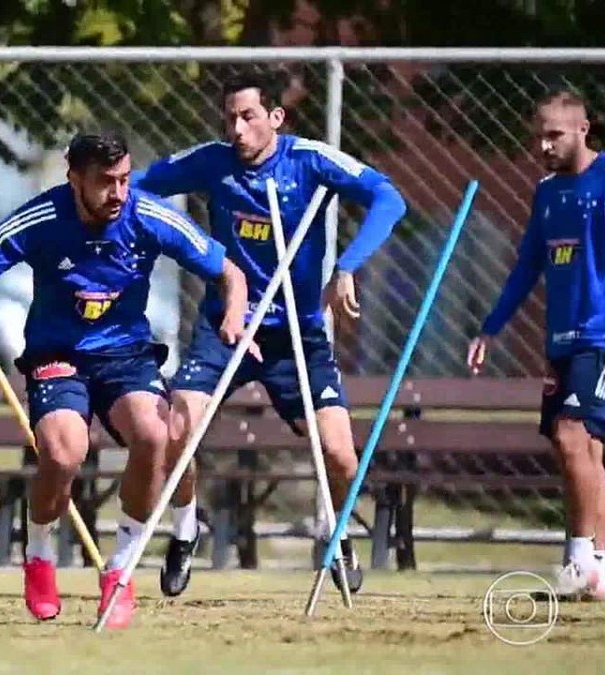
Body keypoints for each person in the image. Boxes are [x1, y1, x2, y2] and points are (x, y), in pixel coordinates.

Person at [0, 131, 249, 629]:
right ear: (74, 177)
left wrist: (235, 315)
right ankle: (39, 554)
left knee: (155, 435)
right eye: (104, 182)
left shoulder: (147, 214)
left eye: (123, 180)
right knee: (62, 454)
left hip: (127, 356)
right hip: (58, 354)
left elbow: (229, 270)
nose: (118, 193)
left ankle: (120, 570)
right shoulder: (43, 217)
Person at [133, 69, 406, 598]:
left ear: (276, 118)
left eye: (249, 117)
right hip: (225, 325)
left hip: (295, 334)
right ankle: (187, 528)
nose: (237, 129)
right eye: (230, 118)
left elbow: (387, 198)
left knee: (341, 455)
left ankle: (334, 529)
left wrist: (347, 266)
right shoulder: (211, 161)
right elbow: (136, 184)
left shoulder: (309, 159)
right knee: (174, 435)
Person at [468, 90, 605, 601]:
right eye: (538, 137)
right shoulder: (547, 193)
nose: (543, 145)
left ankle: (578, 559)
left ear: (583, 130)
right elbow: (528, 265)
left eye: (554, 135)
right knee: (583, 450)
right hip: (561, 340)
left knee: (572, 437)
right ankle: (598, 574)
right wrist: (491, 327)